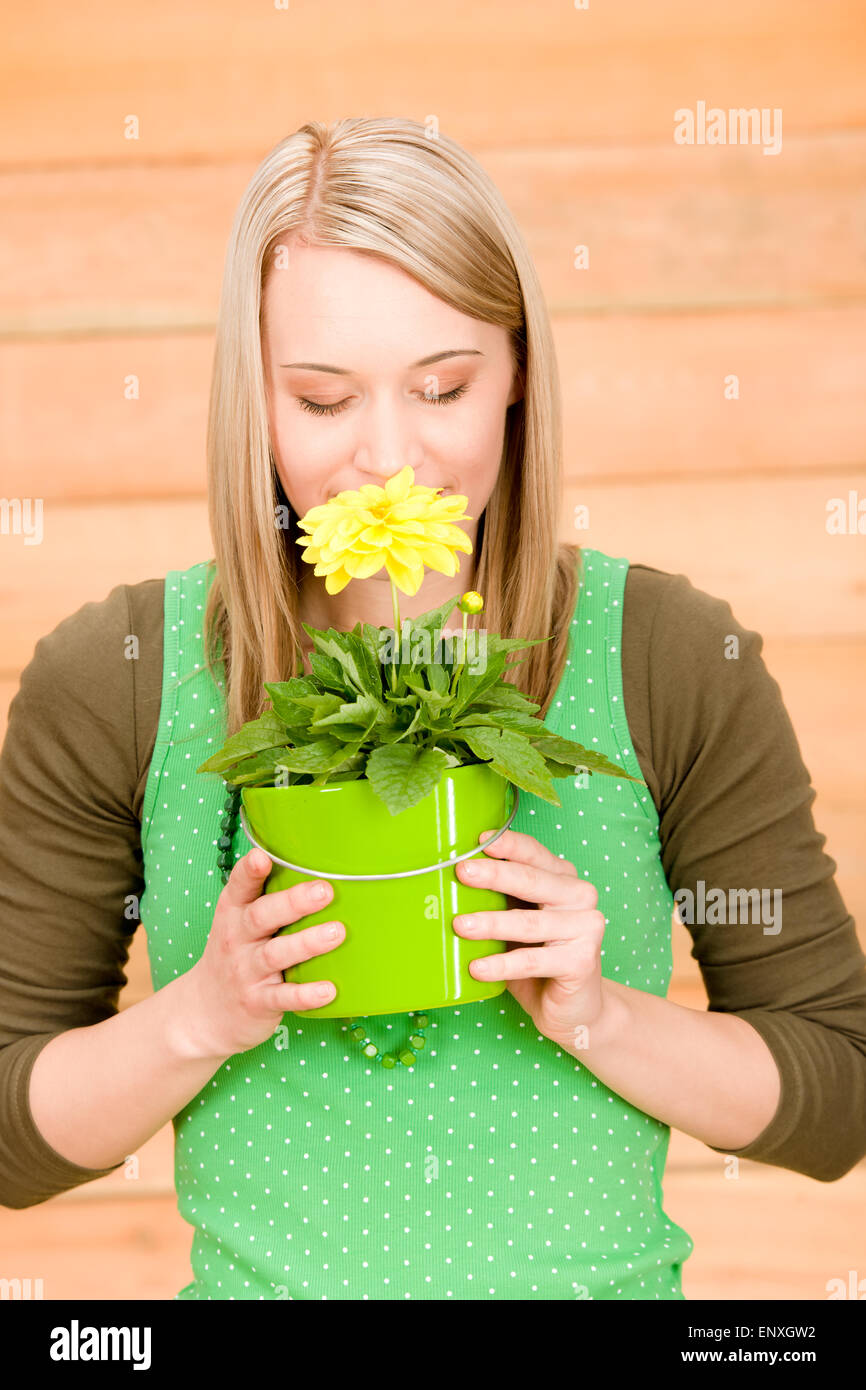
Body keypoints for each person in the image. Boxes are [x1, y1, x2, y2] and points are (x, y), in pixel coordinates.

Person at [1, 117, 864, 1302]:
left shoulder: (667, 654)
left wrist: (598, 1013)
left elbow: (833, 1096)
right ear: (250, 400)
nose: (388, 458)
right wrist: (200, 1014)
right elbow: (13, 1135)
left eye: (443, 386)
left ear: (515, 375)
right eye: (320, 400)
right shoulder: (120, 674)